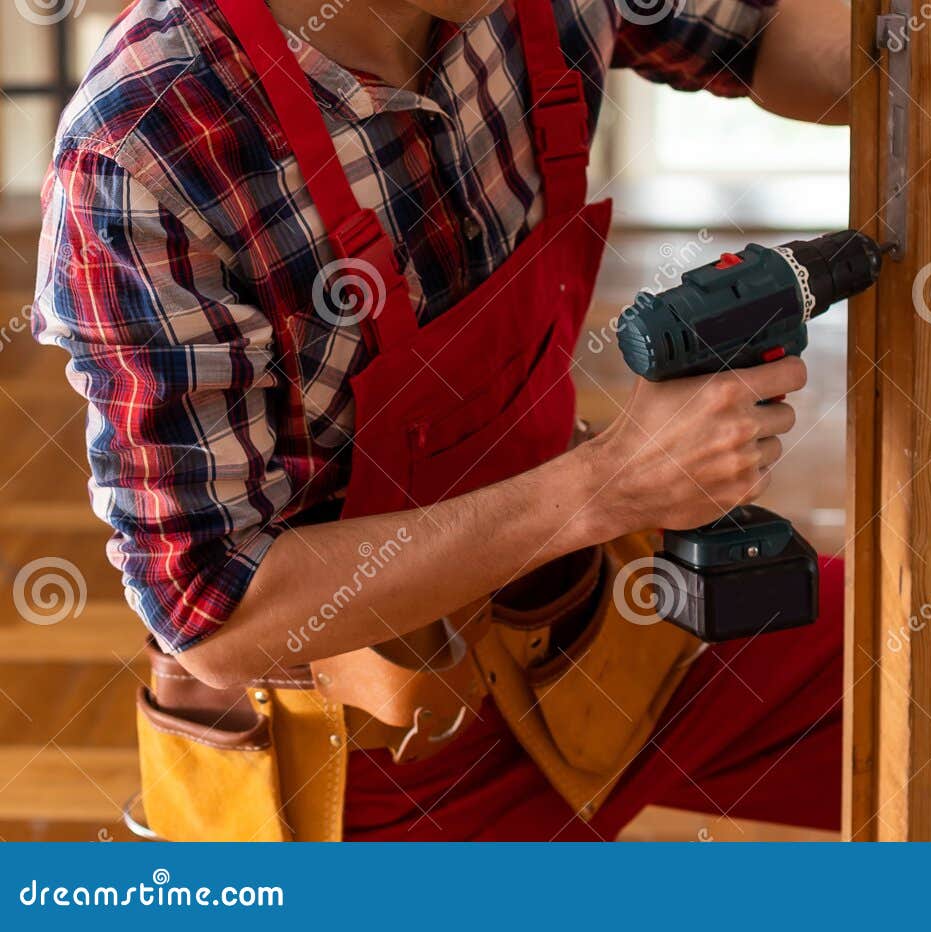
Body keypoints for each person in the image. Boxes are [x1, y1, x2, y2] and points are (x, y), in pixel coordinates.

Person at [32, 0, 850, 841]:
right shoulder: (145, 148)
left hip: (581, 637)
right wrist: (609, 486)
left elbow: (775, 40)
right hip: (352, 771)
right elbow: (215, 613)